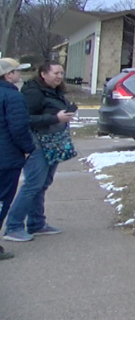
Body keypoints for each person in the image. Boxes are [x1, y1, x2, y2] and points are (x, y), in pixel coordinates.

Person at [3, 61, 76, 243]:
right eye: (56, 73)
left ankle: (36, 223)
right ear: (43, 74)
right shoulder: (32, 92)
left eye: (61, 73)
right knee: (33, 184)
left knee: (43, 183)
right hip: (37, 142)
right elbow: (24, 119)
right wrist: (54, 118)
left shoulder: (54, 90)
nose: (60, 76)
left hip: (53, 142)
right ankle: (13, 226)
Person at [0, 58, 35, 259]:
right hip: (6, 159)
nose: (19, 74)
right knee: (2, 200)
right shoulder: (13, 97)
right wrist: (28, 148)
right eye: (16, 71)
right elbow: (19, 128)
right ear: (8, 75)